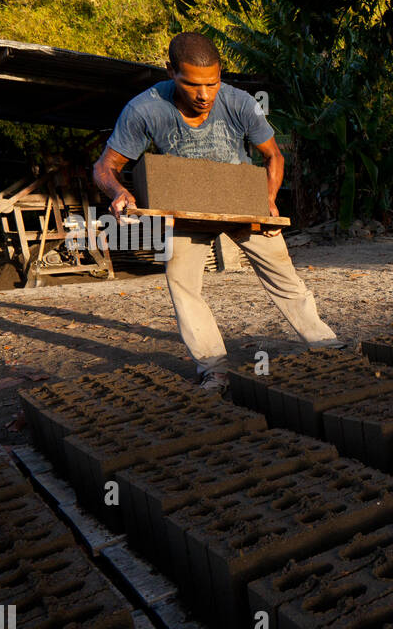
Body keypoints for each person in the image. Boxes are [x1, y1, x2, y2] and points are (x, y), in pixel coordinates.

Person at [92, 31, 345, 392]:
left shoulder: (241, 102)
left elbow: (273, 155)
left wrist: (268, 198)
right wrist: (118, 192)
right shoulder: (144, 109)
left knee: (283, 276)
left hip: (241, 203)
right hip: (184, 210)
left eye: (212, 84)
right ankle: (214, 367)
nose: (203, 95)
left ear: (220, 74)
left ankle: (324, 344)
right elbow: (104, 167)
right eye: (191, 84)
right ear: (170, 72)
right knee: (182, 284)